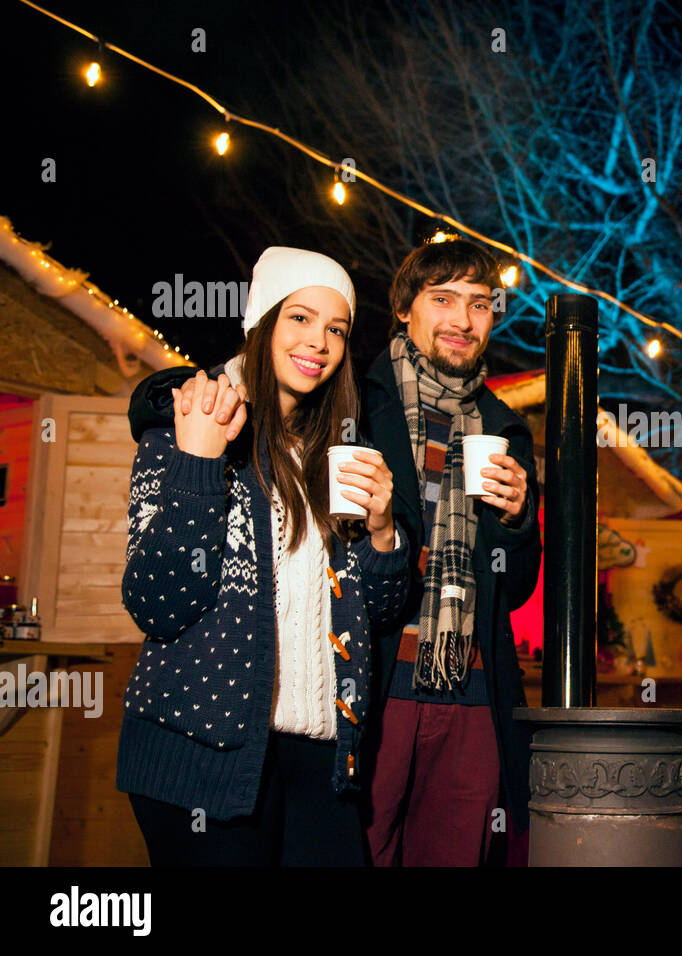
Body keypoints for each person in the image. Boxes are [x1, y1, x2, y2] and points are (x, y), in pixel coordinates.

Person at [127, 239, 541, 866]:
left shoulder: (492, 428)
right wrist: (186, 415)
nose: (462, 318)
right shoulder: (354, 411)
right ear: (404, 308)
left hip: (382, 710)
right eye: (444, 298)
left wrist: (507, 522)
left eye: (480, 304)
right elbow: (157, 602)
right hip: (332, 710)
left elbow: (500, 588)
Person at [118, 247, 410, 866]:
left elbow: (380, 615)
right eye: (300, 318)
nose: (320, 342)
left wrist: (383, 532)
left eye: (337, 328)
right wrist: (198, 464)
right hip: (207, 754)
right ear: (261, 321)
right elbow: (157, 603)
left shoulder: (331, 454)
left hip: (323, 758)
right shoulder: (187, 428)